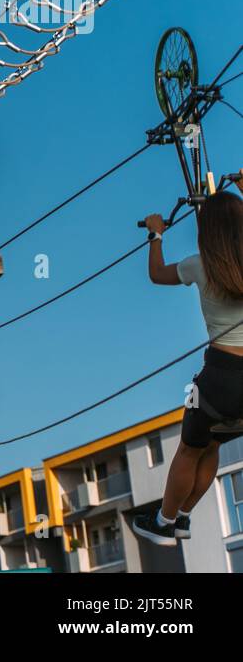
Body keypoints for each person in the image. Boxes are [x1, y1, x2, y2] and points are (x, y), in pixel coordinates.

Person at [132, 191, 243, 547]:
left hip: (219, 377)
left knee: (191, 448)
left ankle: (164, 521)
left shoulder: (200, 265)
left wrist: (156, 233)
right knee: (212, 447)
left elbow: (157, 274)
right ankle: (182, 516)